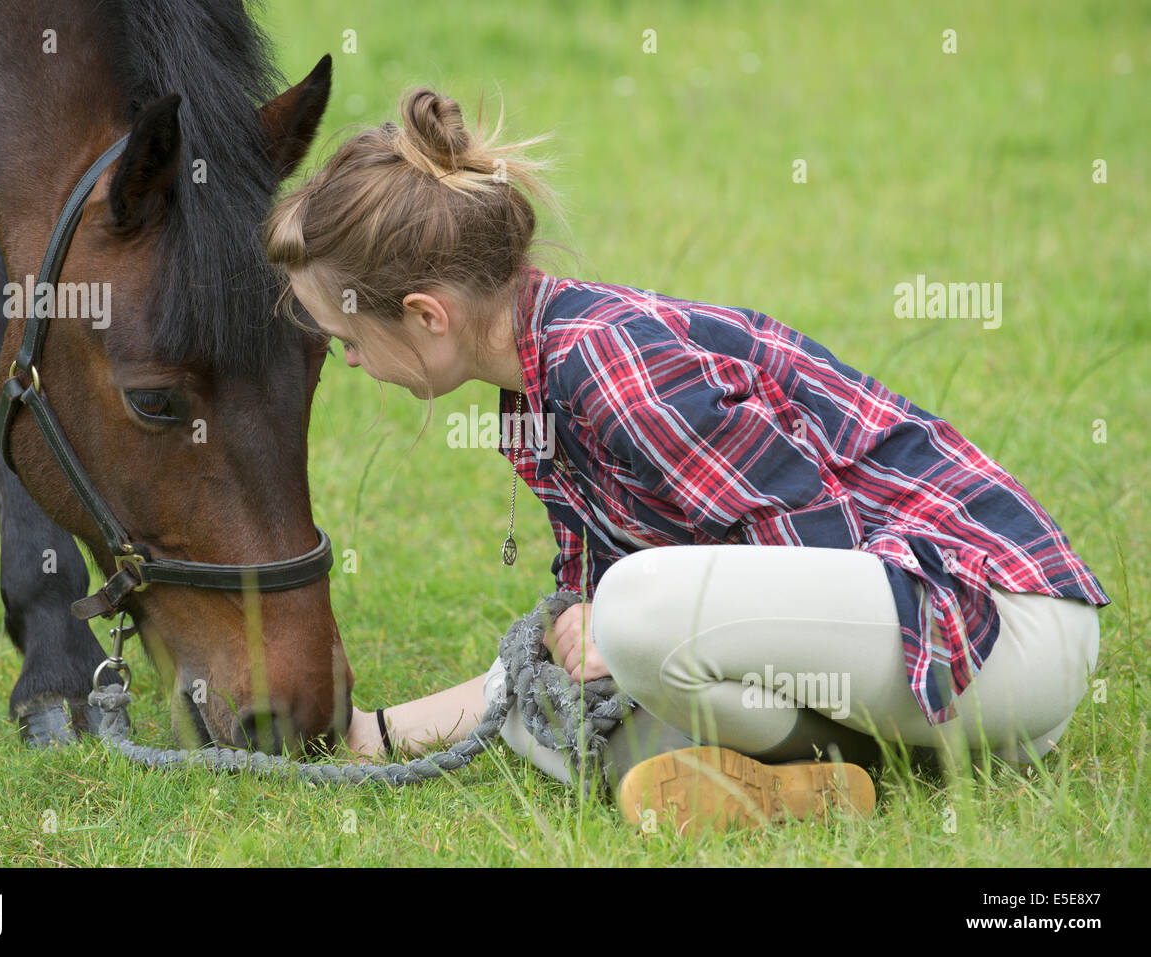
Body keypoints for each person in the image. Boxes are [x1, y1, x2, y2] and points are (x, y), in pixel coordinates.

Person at [262, 86, 1110, 835]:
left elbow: (824, 546)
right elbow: (591, 641)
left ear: (426, 315)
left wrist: (611, 626)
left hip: (998, 625)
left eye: (346, 339)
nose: (349, 362)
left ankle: (812, 753)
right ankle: (814, 776)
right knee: (593, 697)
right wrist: (371, 731)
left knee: (631, 614)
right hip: (925, 671)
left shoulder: (609, 365)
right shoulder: (532, 398)